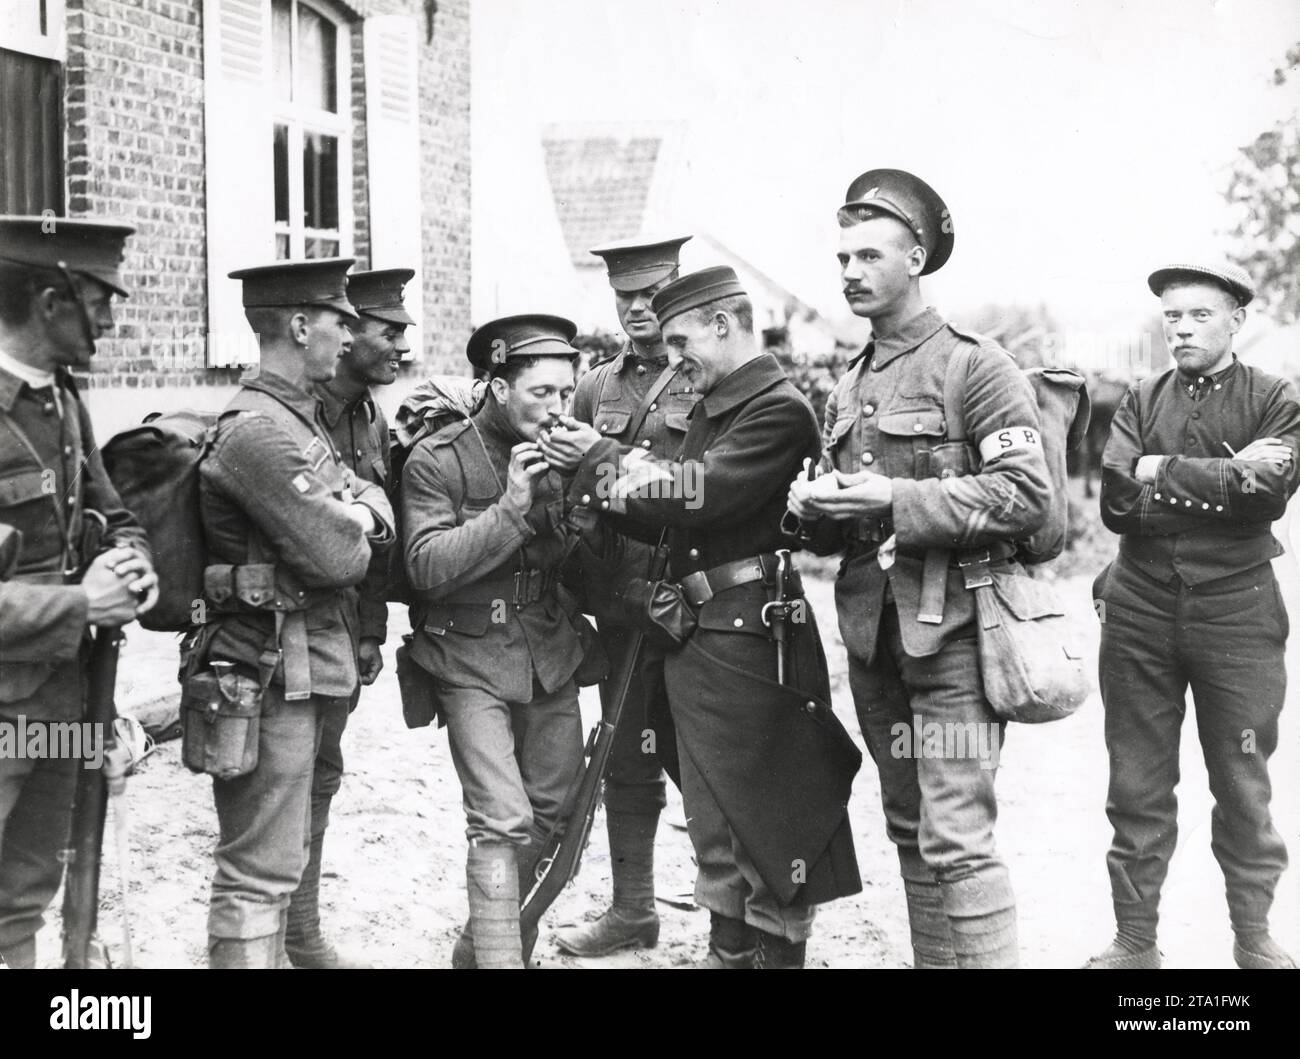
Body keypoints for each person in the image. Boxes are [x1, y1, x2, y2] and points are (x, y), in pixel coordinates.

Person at [543, 266, 862, 969]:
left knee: (767, 817)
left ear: (725, 324)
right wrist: (611, 467)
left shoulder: (777, 408)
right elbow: (664, 483)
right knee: (716, 816)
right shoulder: (721, 403)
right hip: (703, 631)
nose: (676, 354)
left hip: (752, 633)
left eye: (684, 338)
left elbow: (696, 493)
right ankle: (728, 953)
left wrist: (597, 460)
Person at [786, 170, 1052, 968]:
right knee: (908, 825)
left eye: (870, 254)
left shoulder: (977, 367)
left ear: (918, 258)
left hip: (960, 635)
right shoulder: (848, 387)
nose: (850, 272)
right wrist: (814, 510)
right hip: (876, 638)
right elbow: (845, 541)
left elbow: (1026, 495)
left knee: (958, 835)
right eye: (842, 257)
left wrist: (897, 496)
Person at [1088, 261, 1300, 970]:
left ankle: (1252, 936)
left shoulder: (1276, 398)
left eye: (1197, 315)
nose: (1179, 327)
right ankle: (1135, 941)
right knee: (1136, 782)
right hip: (1138, 607)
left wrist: (1157, 470)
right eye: (1171, 316)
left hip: (1238, 613)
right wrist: (1216, 479)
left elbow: (1265, 493)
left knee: (1243, 780)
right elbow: (1115, 499)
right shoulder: (1140, 396)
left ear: (1236, 320)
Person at [194, 258, 394, 968]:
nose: (350, 336)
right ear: (302, 325)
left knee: (286, 853)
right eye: (340, 321)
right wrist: (356, 514)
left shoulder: (295, 418)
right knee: (258, 868)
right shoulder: (258, 430)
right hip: (266, 670)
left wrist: (356, 511)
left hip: (302, 665)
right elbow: (339, 554)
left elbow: (372, 502)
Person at [401, 314, 587, 969]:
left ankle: (483, 945)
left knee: (557, 814)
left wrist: (586, 493)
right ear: (500, 388)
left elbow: (575, 558)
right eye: (542, 393)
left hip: (547, 651)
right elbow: (424, 565)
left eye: (567, 393)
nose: (558, 408)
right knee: (502, 820)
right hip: (467, 654)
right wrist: (508, 509)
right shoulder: (439, 457)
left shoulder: (565, 450)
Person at [0, 216, 156, 968]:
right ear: (50, 299)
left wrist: (131, 562)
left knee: (27, 887)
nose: (110, 316)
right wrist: (79, 605)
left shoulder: (62, 401)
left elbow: (116, 513)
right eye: (99, 297)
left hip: (57, 703)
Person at [555, 235, 697, 958]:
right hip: (622, 604)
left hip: (696, 606)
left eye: (653, 294)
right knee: (624, 756)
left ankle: (738, 920)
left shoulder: (707, 377)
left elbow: (713, 489)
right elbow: (581, 490)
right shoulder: (595, 387)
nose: (639, 309)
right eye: (626, 297)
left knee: (706, 757)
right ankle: (633, 909)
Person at [283, 268, 414, 969]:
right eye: (389, 331)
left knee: (322, 771)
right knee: (280, 781)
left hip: (339, 629)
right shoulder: (294, 412)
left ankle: (300, 932)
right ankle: (275, 932)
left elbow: (381, 533)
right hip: (288, 630)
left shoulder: (368, 413)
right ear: (347, 329)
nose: (401, 343)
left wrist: (371, 629)